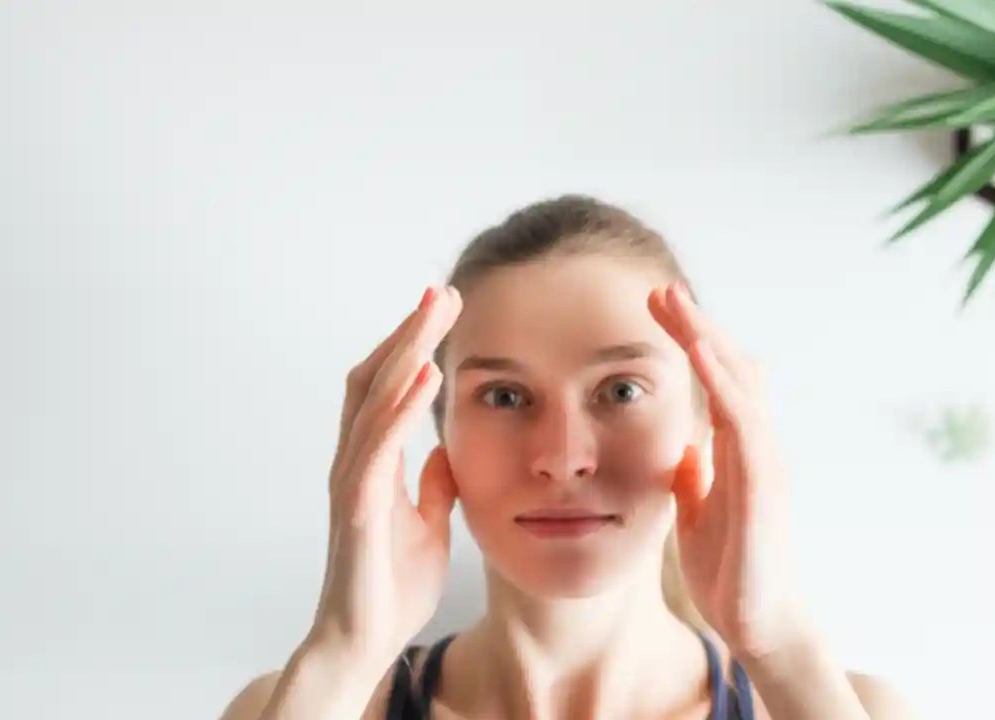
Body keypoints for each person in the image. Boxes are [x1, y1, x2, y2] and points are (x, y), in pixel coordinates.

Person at [219, 195, 915, 719]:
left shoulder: (845, 706)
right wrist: (343, 652)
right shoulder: (298, 704)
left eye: (621, 389)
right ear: (438, 434)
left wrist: (780, 646)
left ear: (710, 417)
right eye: (504, 397)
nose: (561, 458)